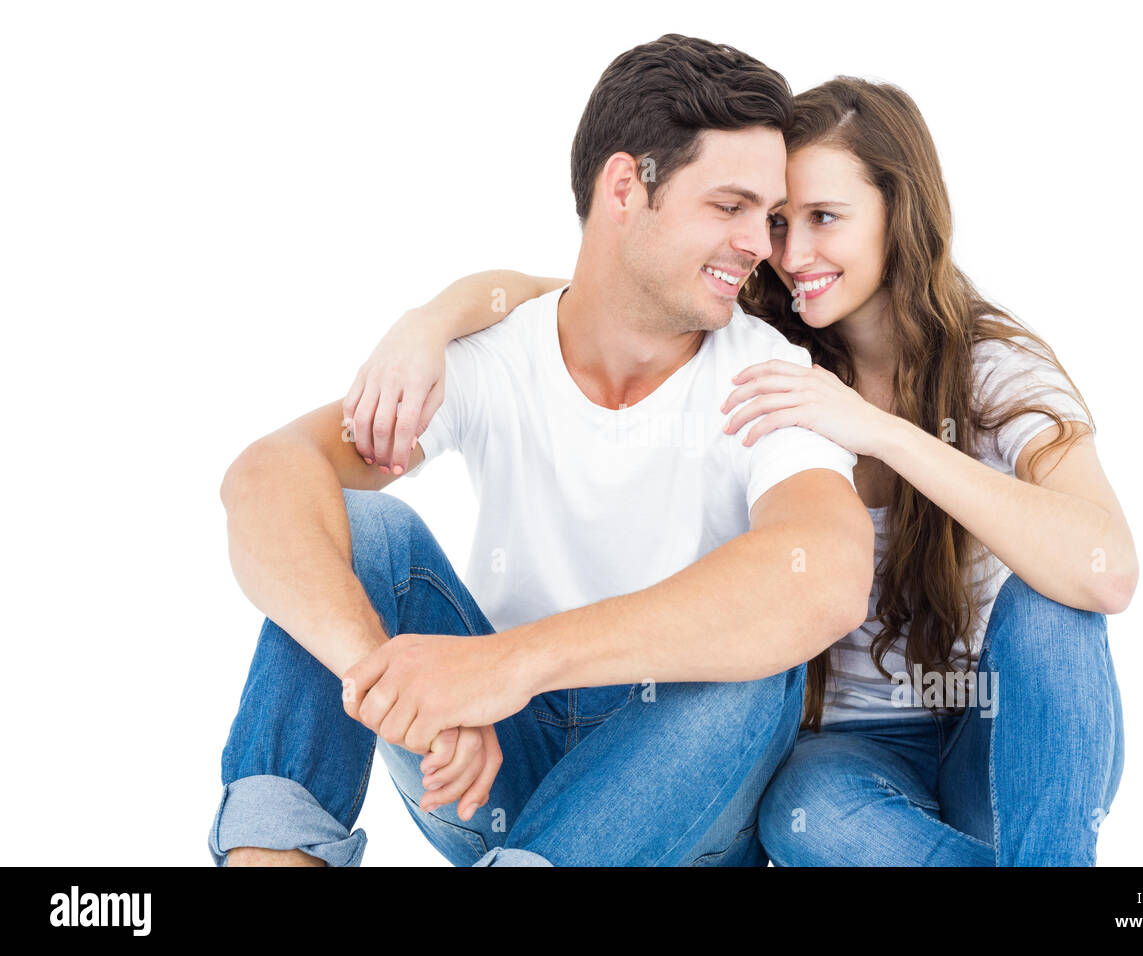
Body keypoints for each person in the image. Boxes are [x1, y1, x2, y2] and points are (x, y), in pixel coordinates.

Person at [349, 78, 1137, 866]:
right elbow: (591, 290)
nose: (792, 256)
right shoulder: (758, 342)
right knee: (809, 815)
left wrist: (884, 434)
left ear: (902, 211)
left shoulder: (992, 367)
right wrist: (432, 320)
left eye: (826, 218)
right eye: (779, 223)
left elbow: (1107, 570)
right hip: (838, 756)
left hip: (996, 745)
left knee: (1054, 606)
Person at [208, 34, 876, 868]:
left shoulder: (769, 374)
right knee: (360, 529)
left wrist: (508, 665)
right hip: (485, 765)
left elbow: (830, 573)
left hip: (674, 804)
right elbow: (266, 476)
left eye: (768, 216)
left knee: (758, 653)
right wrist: (391, 679)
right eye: (730, 206)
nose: (759, 244)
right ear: (627, 186)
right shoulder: (497, 352)